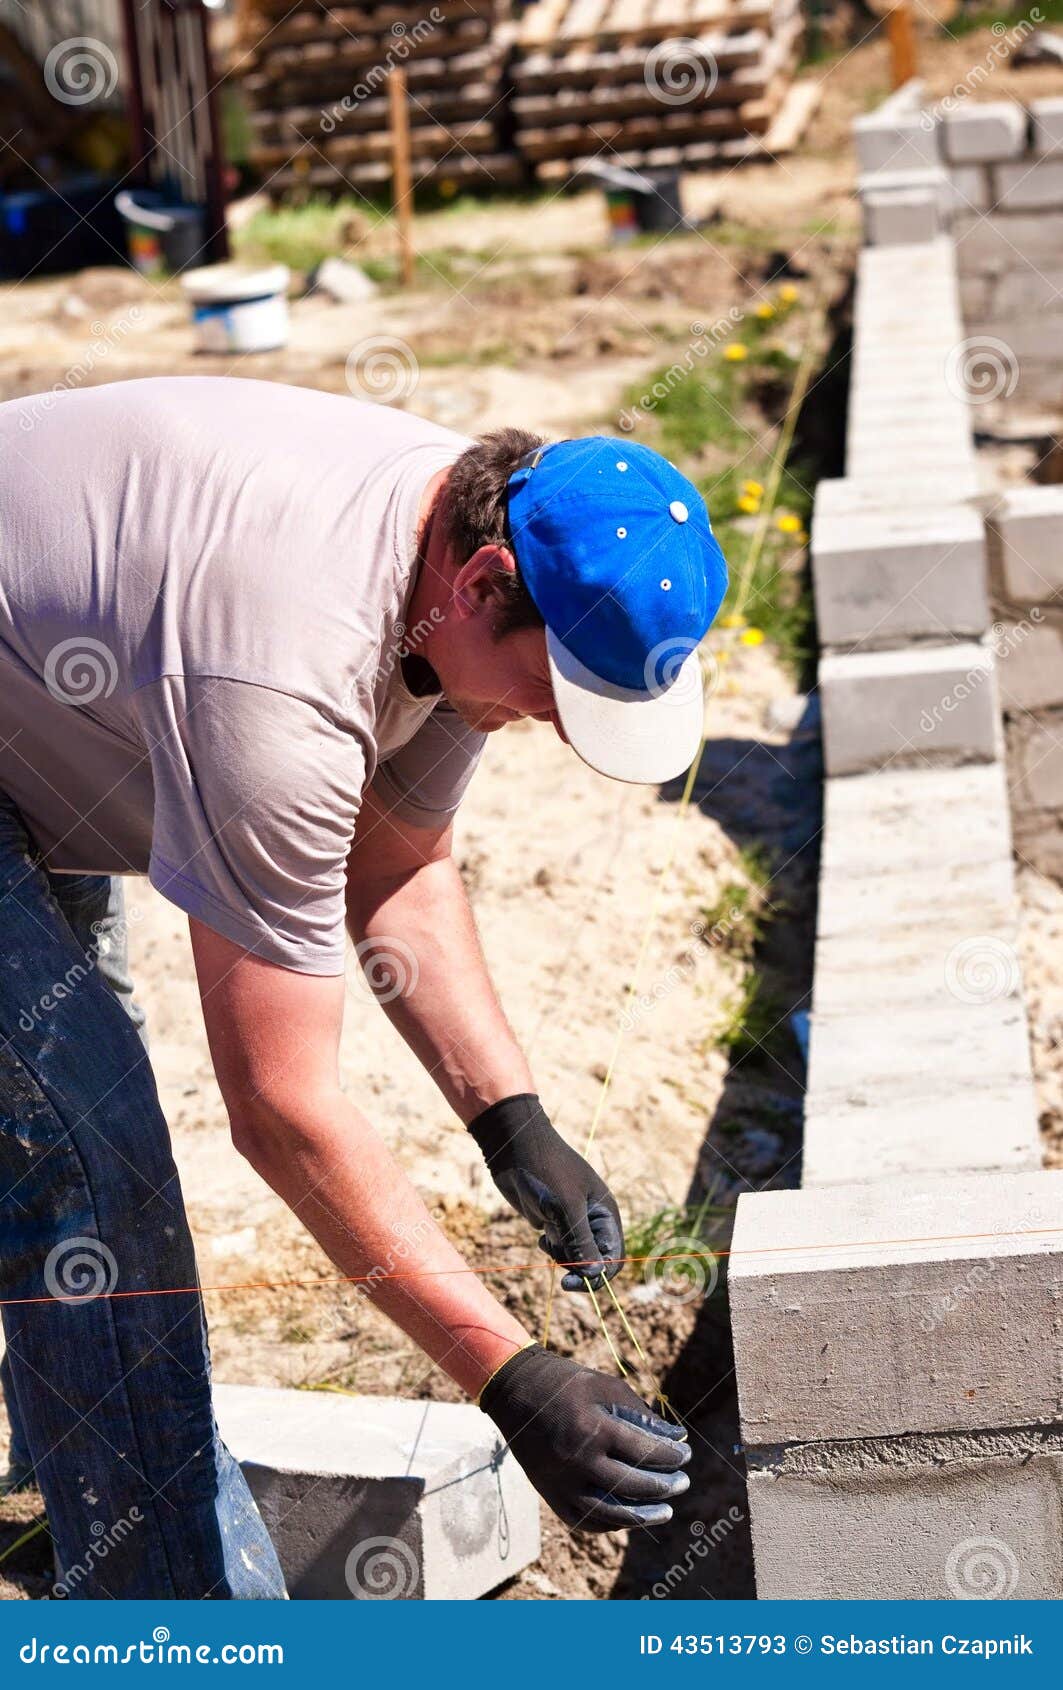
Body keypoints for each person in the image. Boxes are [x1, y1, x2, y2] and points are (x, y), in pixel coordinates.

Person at [0, 377, 727, 1597]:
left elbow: (393, 860)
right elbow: (282, 1108)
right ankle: (172, 1630)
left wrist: (513, 1119)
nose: (547, 722)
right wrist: (507, 1373)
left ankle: (68, 1480)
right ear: (486, 579)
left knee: (46, 1112)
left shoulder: (453, 558)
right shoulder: (284, 672)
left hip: (40, 708)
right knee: (83, 1149)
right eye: (552, 687)